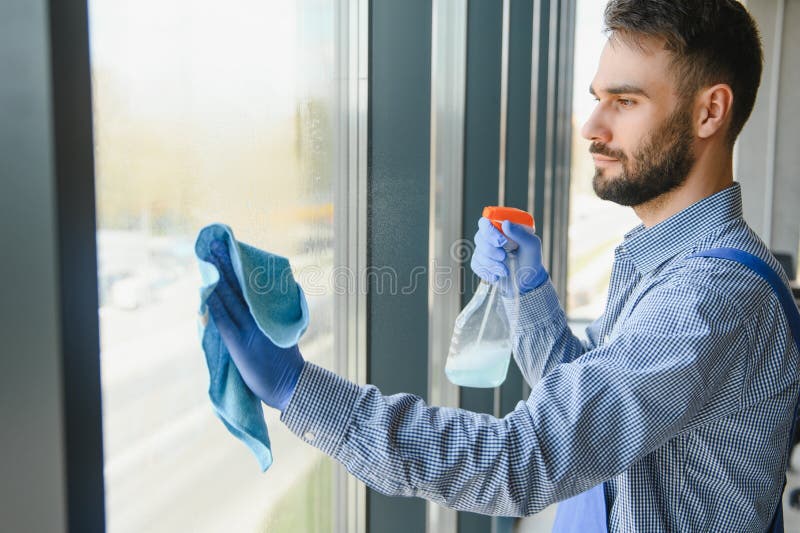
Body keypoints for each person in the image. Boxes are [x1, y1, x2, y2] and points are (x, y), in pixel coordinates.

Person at [205, 1, 799, 530]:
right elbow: (591, 412)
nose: (592, 127)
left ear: (709, 112)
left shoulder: (712, 293)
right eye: (597, 100)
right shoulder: (667, 263)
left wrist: (300, 390)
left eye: (625, 101)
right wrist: (528, 289)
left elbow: (525, 459)